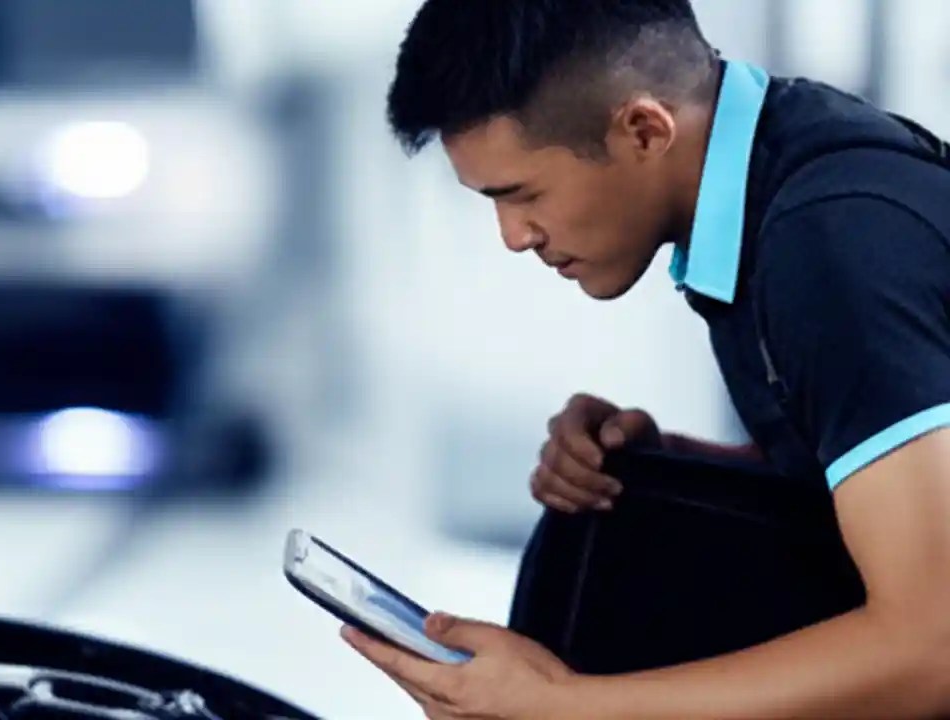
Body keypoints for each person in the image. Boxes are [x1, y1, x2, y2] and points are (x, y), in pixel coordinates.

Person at [342, 0, 950, 718]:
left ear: (643, 129)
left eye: (522, 195)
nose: (513, 236)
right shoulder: (777, 172)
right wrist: (675, 461)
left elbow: (933, 650)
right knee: (622, 519)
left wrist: (565, 707)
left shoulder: (829, 241)